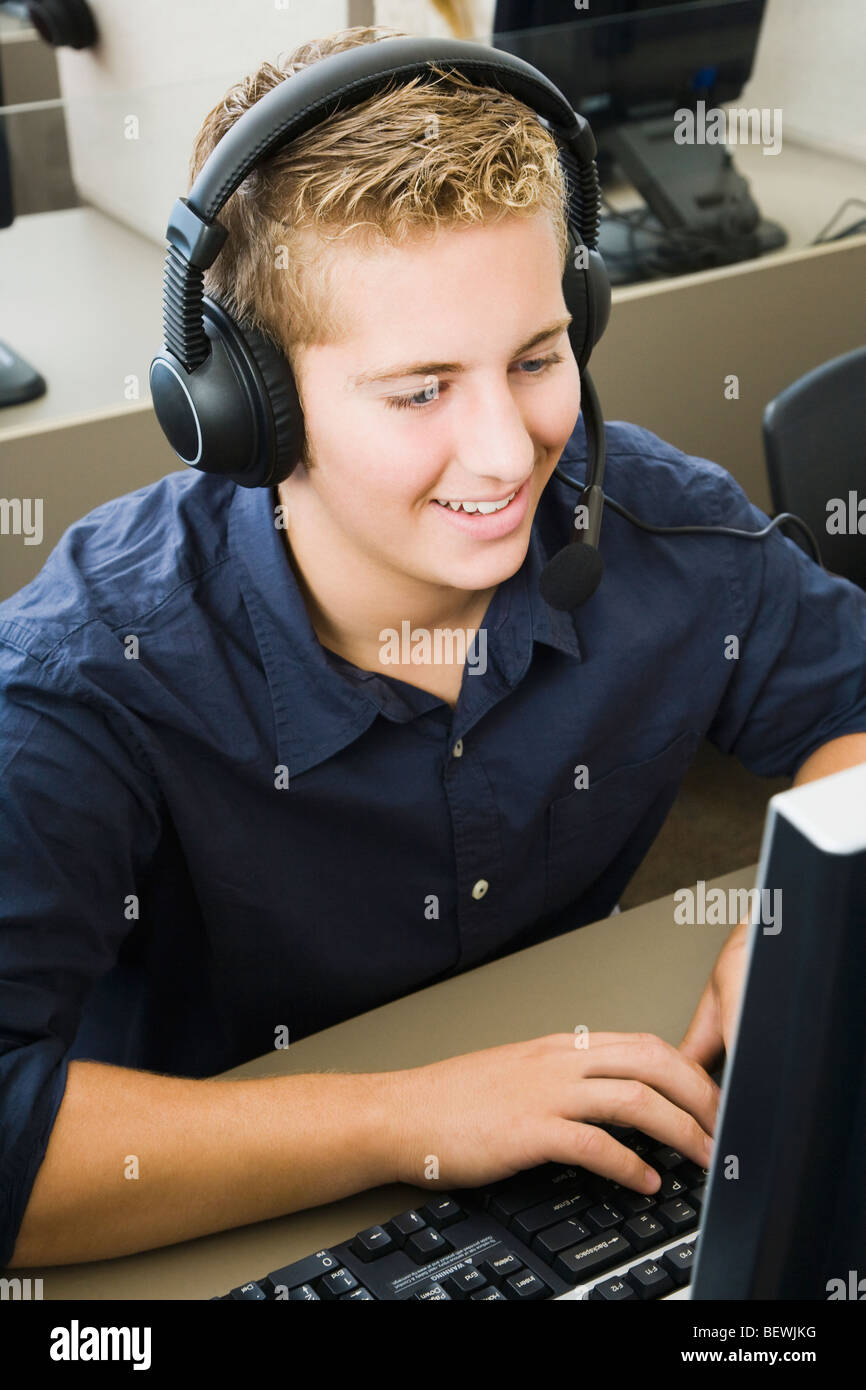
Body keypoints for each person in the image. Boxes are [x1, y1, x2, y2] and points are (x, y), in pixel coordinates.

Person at [2, 25, 866, 1270]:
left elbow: (850, 706)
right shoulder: (78, 676)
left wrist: (801, 942)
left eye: (534, 357)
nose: (509, 454)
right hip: (207, 1228)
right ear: (249, 409)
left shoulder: (659, 528)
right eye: (419, 390)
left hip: (568, 1172)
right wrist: (408, 1116)